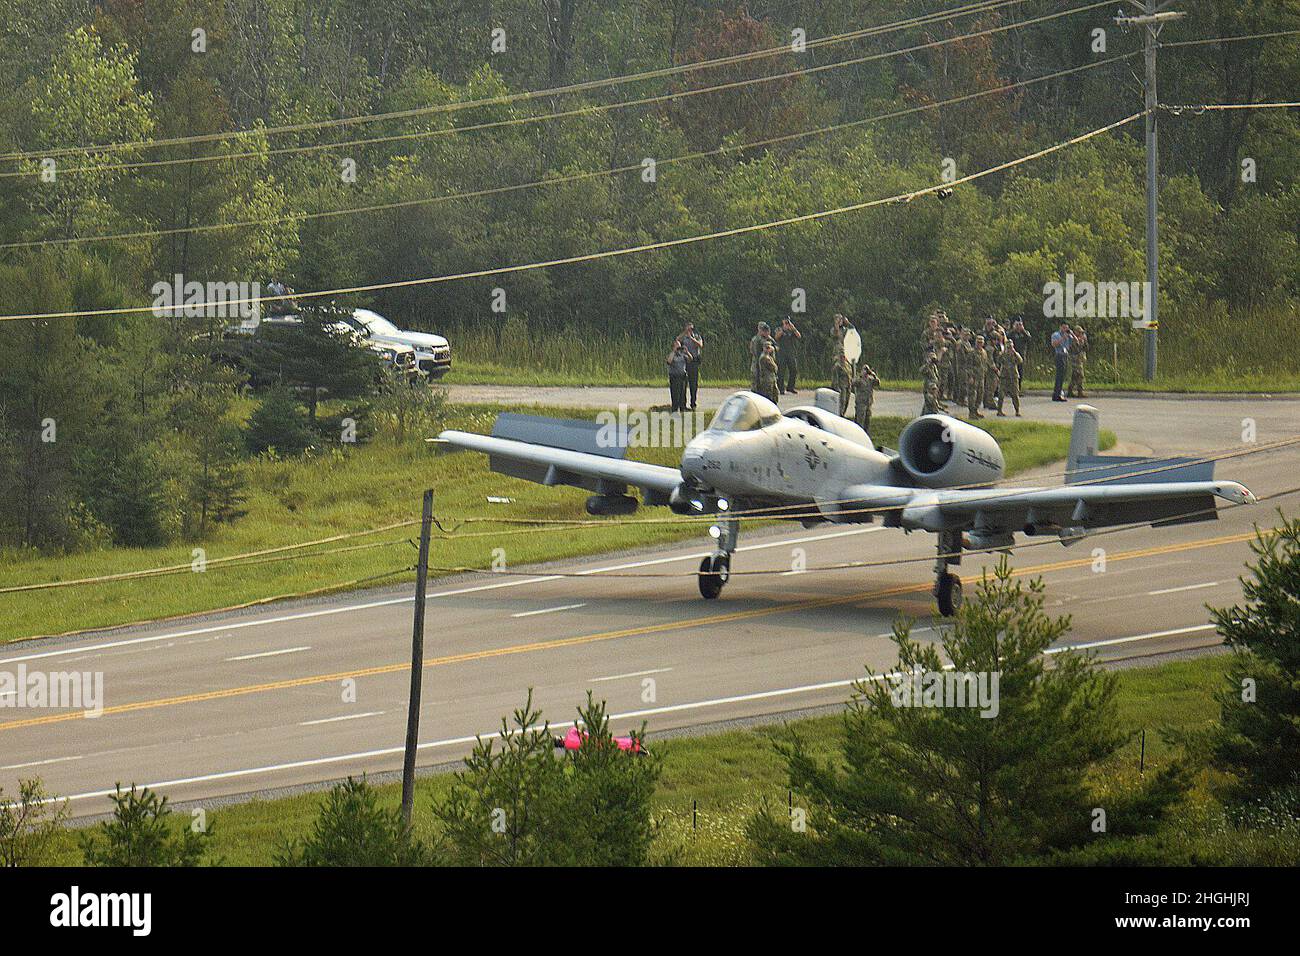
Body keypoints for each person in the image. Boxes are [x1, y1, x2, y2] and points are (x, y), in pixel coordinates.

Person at [774, 317, 802, 394]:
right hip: (782, 353)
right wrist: (783, 329)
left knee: (794, 370)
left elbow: (799, 336)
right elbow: (776, 337)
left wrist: (793, 329)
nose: (787, 323)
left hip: (791, 352)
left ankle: (790, 387)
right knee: (781, 371)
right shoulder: (779, 329)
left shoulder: (792, 330)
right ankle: (781, 388)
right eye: (785, 321)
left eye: (788, 321)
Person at [680, 322, 703, 410]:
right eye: (688, 329)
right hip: (684, 361)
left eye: (691, 329)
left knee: (693, 384)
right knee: (683, 384)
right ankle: (683, 404)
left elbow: (700, 345)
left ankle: (693, 403)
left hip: (694, 362)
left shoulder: (696, 336)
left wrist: (691, 338)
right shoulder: (683, 337)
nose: (689, 330)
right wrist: (684, 333)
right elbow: (677, 340)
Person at [996, 340, 1022, 417]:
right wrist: (1003, 353)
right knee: (1001, 394)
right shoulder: (1003, 354)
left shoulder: (1015, 354)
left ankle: (1017, 410)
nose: (1009, 348)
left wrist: (1014, 353)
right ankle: (999, 410)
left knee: (1015, 395)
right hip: (1004, 376)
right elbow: (998, 360)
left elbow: (1020, 361)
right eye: (1008, 347)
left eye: (1011, 347)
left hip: (1013, 376)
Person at [853, 362, 880, 436]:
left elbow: (878, 383)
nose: (866, 372)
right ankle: (858, 434)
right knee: (860, 420)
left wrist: (874, 375)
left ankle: (866, 434)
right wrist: (860, 375)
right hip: (861, 402)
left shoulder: (870, 380)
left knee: (867, 420)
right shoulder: (859, 379)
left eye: (867, 370)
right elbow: (853, 383)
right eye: (865, 370)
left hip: (868, 402)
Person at [967, 335, 988, 419]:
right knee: (972, 395)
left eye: (981, 342)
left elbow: (985, 364)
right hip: (974, 377)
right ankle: (971, 413)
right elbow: (968, 366)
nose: (980, 344)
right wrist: (970, 376)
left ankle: (975, 410)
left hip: (981, 377)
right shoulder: (971, 352)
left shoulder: (984, 352)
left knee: (980, 395)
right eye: (978, 342)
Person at [1050, 322, 1071, 401]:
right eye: (1064, 328)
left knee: (1063, 376)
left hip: (1065, 355)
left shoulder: (1068, 335)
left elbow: (1075, 342)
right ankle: (1056, 394)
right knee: (1059, 375)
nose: (1065, 329)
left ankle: (1059, 392)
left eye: (1067, 328)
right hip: (1059, 355)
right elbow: (1054, 344)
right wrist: (1063, 338)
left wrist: (1071, 335)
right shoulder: (1056, 335)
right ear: (1060, 327)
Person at [749, 322, 773, 392]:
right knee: (756, 378)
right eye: (762, 329)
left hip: (762, 361)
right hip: (757, 361)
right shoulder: (757, 339)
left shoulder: (765, 338)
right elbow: (753, 350)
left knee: (761, 378)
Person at [666, 339, 689, 412]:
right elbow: (669, 361)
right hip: (674, 377)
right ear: (673, 347)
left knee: (682, 393)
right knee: (675, 394)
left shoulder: (683, 354)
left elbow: (690, 359)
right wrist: (674, 351)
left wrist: (687, 352)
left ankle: (682, 407)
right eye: (677, 347)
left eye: (679, 347)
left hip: (682, 376)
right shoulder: (672, 354)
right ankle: (675, 409)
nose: (679, 348)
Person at [1009, 317, 1031, 388]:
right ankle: (1011, 388)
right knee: (1012, 372)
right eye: (1017, 325)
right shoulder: (1012, 333)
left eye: (1020, 324)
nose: (1018, 326)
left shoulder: (1025, 333)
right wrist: (1014, 329)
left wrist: (1023, 330)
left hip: (1021, 356)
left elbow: (1029, 339)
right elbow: (1007, 338)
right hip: (1013, 355)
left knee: (1020, 372)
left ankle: (1019, 388)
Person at [1067, 324, 1089, 398]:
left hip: (1080, 359)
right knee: (1080, 375)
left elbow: (1086, 348)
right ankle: (1080, 391)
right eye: (1079, 332)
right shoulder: (1072, 339)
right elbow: (1076, 349)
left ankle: (1070, 390)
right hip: (1075, 359)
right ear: (1075, 332)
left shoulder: (1081, 339)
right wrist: (1079, 341)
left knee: (1075, 376)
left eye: (1081, 332)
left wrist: (1084, 340)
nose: (1081, 334)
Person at [921, 349, 943, 416]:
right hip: (929, 388)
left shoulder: (934, 366)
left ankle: (924, 416)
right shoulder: (927, 367)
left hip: (934, 386)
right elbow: (921, 371)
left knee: (931, 403)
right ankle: (929, 415)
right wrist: (928, 363)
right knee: (930, 403)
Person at [831, 349, 853, 416]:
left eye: (844, 356)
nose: (843, 357)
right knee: (842, 401)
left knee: (847, 400)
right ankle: (840, 414)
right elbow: (835, 378)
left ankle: (843, 413)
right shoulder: (837, 366)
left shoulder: (848, 365)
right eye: (842, 356)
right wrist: (836, 387)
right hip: (841, 386)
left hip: (848, 386)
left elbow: (850, 374)